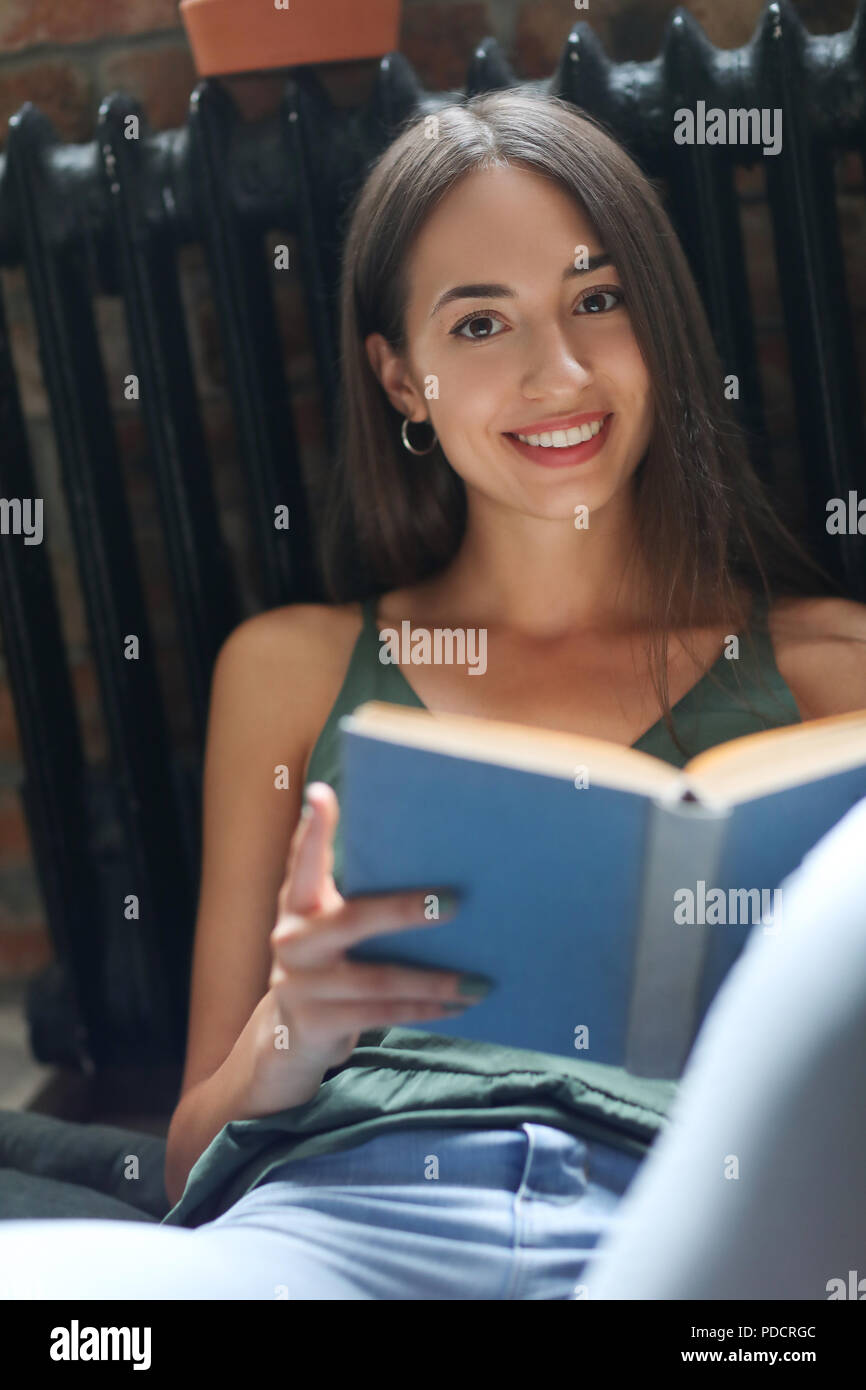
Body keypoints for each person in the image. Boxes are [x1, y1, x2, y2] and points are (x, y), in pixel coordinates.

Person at [1, 89, 864, 1301]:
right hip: (341, 1220)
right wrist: (290, 1027)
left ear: (654, 326)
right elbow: (195, 1155)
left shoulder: (835, 674)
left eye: (595, 300)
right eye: (478, 326)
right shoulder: (290, 669)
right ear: (400, 379)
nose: (555, 371)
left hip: (680, 1223)